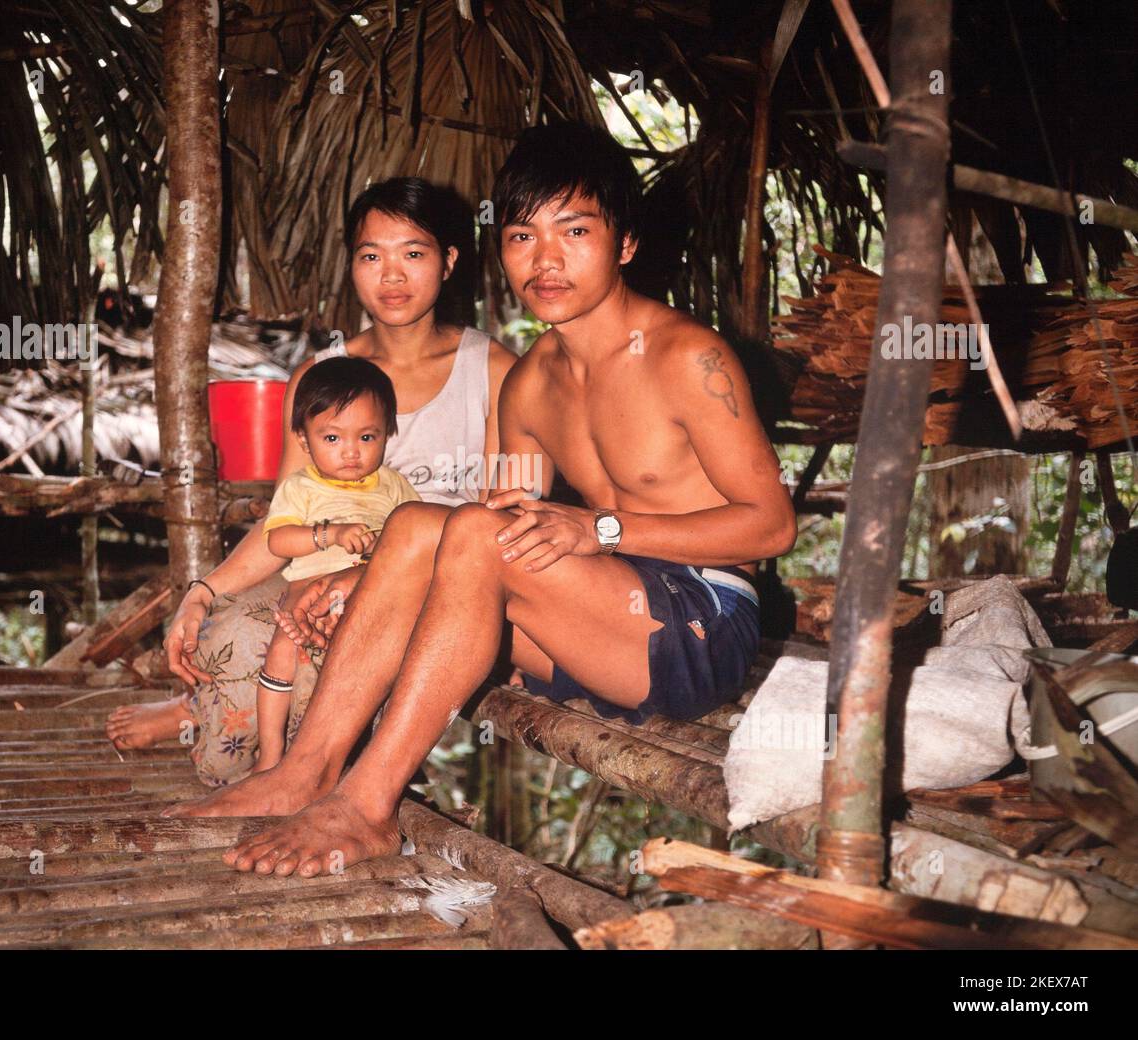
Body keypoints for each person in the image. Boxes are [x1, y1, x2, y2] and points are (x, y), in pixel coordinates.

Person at [165, 121, 796, 883]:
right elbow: (487, 538)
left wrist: (600, 527)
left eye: (575, 231)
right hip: (587, 622)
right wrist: (365, 580)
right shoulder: (532, 381)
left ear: (624, 243)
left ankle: (366, 806)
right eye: (524, 235)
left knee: (459, 527)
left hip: (697, 624)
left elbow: (771, 525)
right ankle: (303, 771)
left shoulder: (688, 358)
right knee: (420, 522)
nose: (546, 258)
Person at [105, 177, 516, 784]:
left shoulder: (495, 372)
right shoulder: (319, 379)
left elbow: (497, 527)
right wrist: (204, 591)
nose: (392, 276)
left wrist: (367, 577)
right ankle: (212, 713)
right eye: (371, 256)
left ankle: (286, 766)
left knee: (320, 637)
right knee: (239, 626)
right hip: (319, 574)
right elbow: (286, 521)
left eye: (414, 253)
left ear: (449, 261)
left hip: (436, 589)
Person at [254, 357, 419, 771]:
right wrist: (329, 534)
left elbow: (417, 537)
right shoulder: (302, 487)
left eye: (367, 436)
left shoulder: (395, 487)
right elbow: (277, 539)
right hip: (307, 588)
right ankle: (270, 754)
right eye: (332, 438)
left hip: (369, 592)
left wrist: (382, 543)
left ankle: (358, 763)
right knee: (281, 649)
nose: (350, 451)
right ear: (304, 441)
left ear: (388, 434)